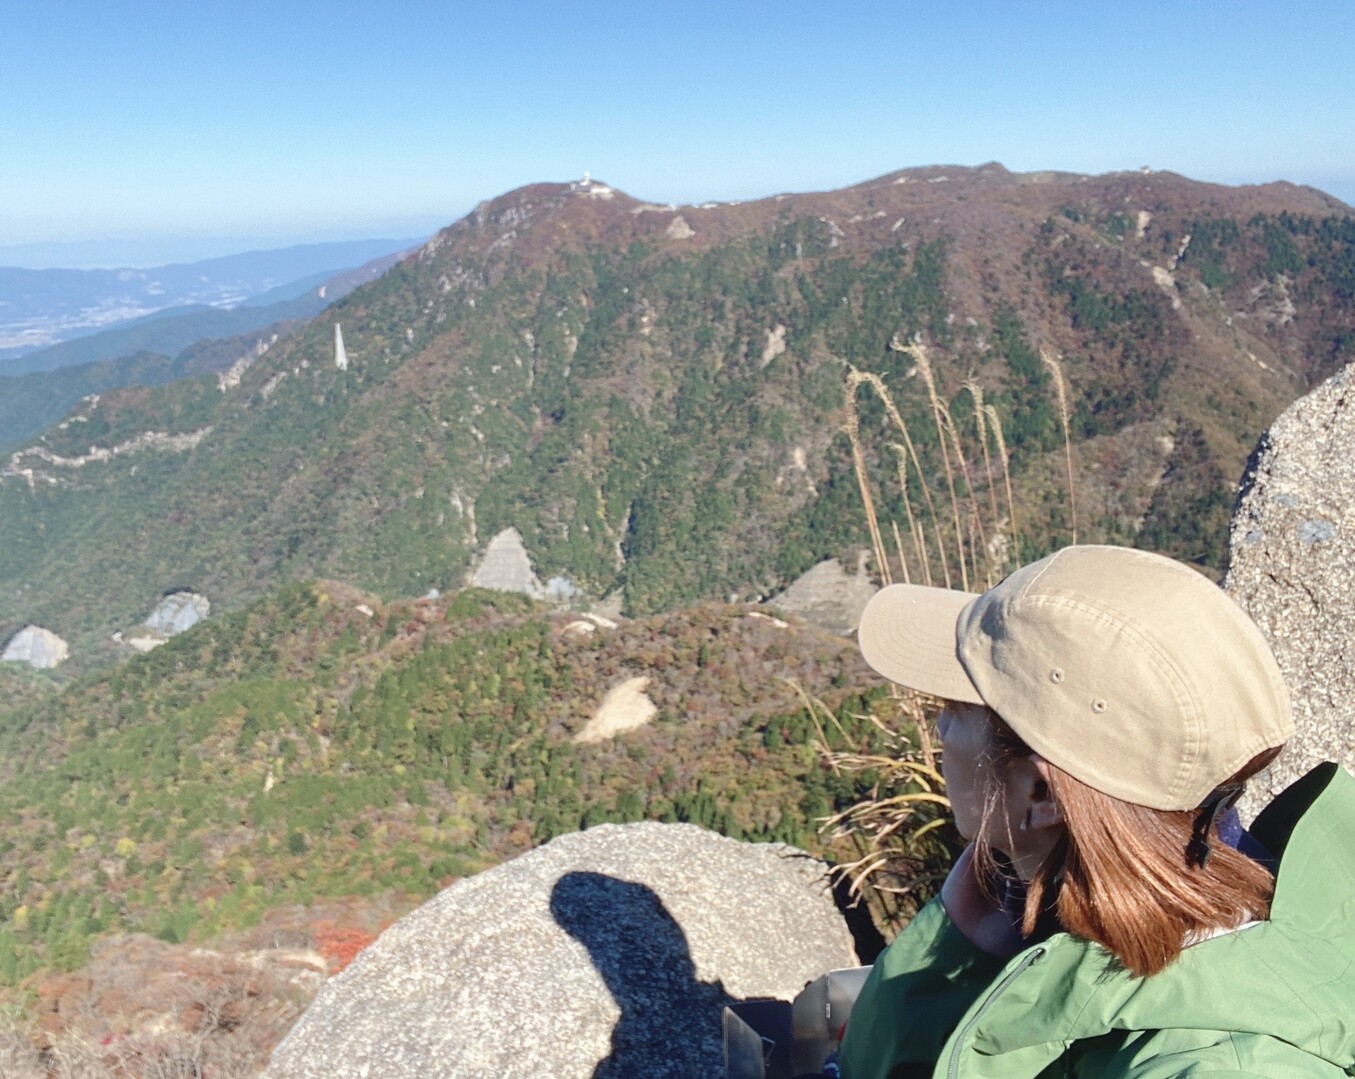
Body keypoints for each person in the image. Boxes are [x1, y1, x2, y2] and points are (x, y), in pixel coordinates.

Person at [838, 545, 1355, 1079]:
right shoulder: (1076, 939)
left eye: (956, 710)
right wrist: (959, 948)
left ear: (1041, 795)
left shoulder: (1224, 1067)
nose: (940, 731)